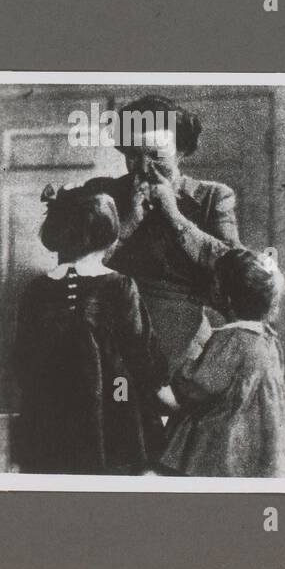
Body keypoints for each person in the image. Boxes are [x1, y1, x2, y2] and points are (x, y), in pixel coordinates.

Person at [13, 186, 167, 475]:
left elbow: (21, 361)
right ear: (110, 235)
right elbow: (140, 351)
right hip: (112, 415)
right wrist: (161, 390)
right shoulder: (120, 286)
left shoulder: (36, 289)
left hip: (49, 415)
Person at [81, 94, 239, 368]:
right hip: (114, 331)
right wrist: (128, 223)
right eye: (133, 156)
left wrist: (174, 216)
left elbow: (234, 271)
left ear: (181, 151)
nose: (143, 168)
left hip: (186, 340)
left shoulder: (214, 197)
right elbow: (80, 265)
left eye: (156, 155)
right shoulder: (105, 193)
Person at [159, 247, 285, 479]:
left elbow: (194, 388)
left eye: (215, 283)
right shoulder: (266, 339)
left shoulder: (232, 340)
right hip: (255, 445)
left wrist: (184, 363)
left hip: (220, 451)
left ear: (226, 299)